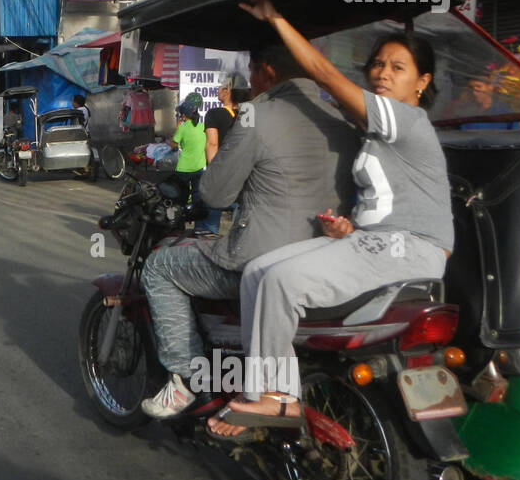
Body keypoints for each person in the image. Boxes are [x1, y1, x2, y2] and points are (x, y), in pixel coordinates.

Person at [207, 0, 454, 438]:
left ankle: (276, 397)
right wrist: (349, 227)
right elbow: (390, 201)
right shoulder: (377, 134)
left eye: (398, 67)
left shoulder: (405, 120)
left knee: (284, 281)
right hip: (378, 243)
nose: (382, 73)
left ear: (423, 82)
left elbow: (324, 75)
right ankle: (267, 392)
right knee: (257, 271)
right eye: (378, 64)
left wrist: (277, 18)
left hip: (411, 249)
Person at [138, 41, 357, 420]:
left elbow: (216, 193)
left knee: (159, 268)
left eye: (252, 72)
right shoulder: (339, 116)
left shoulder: (258, 115)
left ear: (267, 71)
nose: (250, 82)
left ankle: (186, 379)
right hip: (327, 260)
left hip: (260, 261)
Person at [200, 75, 253, 233]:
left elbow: (212, 143)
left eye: (220, 87)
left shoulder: (214, 114)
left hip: (222, 172)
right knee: (240, 225)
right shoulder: (247, 113)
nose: (217, 90)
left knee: (211, 224)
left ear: (228, 90)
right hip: (242, 174)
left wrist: (213, 171)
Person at [171, 92, 209, 232]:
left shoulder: (183, 127)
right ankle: (198, 226)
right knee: (197, 197)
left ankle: (179, 225)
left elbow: (174, 145)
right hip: (199, 167)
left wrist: (178, 127)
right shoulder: (202, 126)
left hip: (184, 169)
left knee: (180, 197)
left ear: (184, 116)